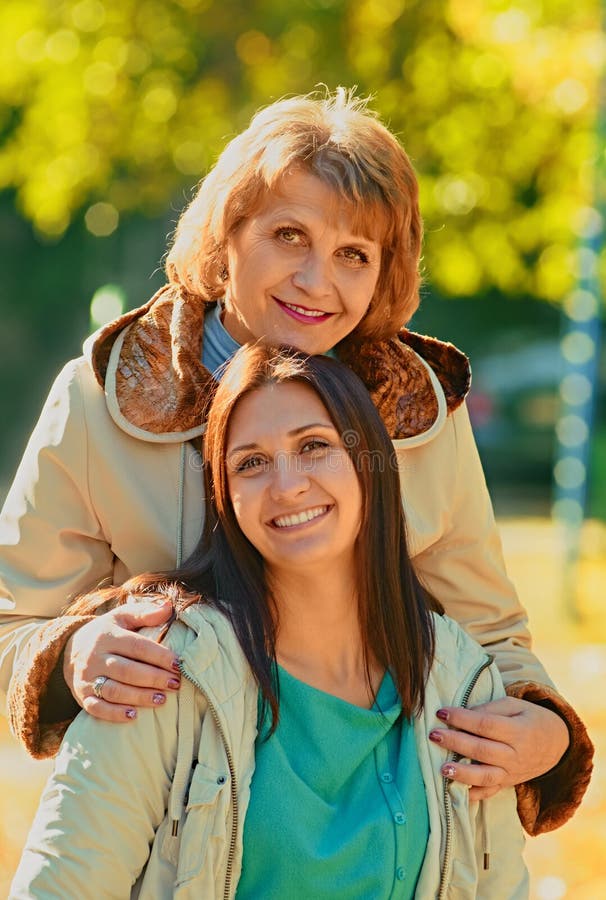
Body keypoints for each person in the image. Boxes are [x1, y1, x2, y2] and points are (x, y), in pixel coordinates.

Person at [1, 90, 592, 833]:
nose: (317, 281)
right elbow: (11, 622)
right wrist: (74, 653)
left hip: (375, 823)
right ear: (227, 236)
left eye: (353, 254)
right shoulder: (99, 399)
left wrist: (543, 731)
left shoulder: (417, 412)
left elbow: (492, 637)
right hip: (169, 828)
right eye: (288, 235)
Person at [10, 344, 530, 899]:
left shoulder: (460, 679)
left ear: (369, 464)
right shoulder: (161, 669)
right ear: (225, 497)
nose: (287, 486)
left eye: (314, 446)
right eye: (251, 463)